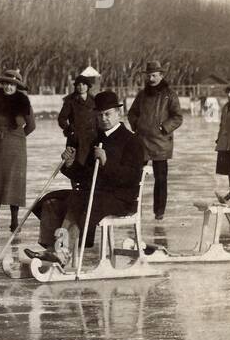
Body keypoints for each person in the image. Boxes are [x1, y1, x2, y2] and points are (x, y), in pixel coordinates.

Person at [25, 90, 144, 268]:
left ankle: (62, 252)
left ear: (118, 114)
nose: (104, 118)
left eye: (108, 114)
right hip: (95, 194)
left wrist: (106, 162)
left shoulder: (132, 141)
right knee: (52, 200)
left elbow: (132, 177)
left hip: (121, 198)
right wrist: (70, 163)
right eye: (100, 115)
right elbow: (86, 175)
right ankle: (52, 250)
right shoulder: (97, 140)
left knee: (80, 200)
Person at [127, 60, 183, 220]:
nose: (151, 79)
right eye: (149, 75)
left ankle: (159, 211)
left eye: (154, 75)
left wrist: (163, 128)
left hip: (161, 143)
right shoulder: (142, 95)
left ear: (161, 75)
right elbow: (132, 113)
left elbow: (178, 117)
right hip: (142, 142)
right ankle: (131, 207)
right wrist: (137, 125)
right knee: (135, 176)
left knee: (161, 179)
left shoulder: (169, 95)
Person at [0, 68, 34, 233]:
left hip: (15, 147)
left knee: (14, 182)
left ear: (16, 86)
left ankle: (14, 222)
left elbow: (31, 126)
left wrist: (17, 137)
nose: (8, 87)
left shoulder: (23, 101)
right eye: (6, 84)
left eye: (12, 85)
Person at [58, 72, 100, 161]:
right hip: (76, 139)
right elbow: (61, 118)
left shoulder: (95, 101)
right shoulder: (70, 101)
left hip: (92, 138)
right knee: (74, 165)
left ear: (88, 86)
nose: (81, 87)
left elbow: (99, 118)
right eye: (79, 85)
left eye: (84, 84)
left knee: (91, 164)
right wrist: (70, 130)